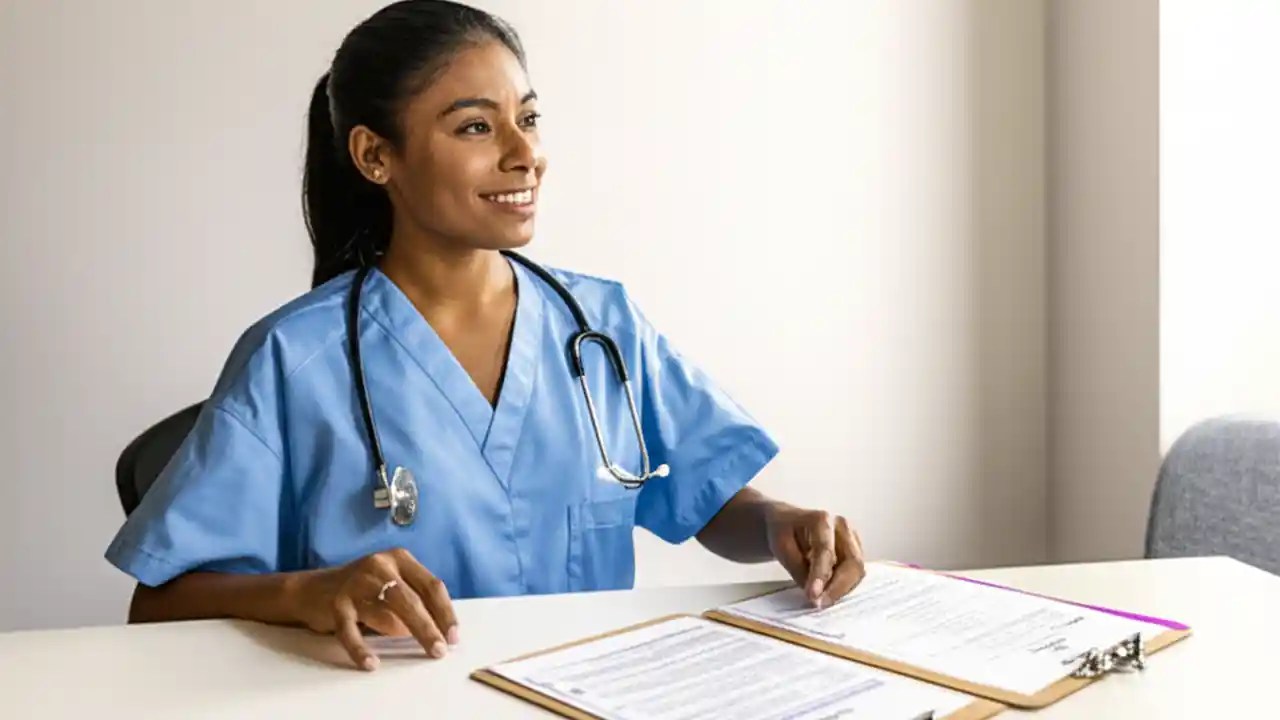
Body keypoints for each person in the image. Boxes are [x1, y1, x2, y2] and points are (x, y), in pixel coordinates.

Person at [105, 0, 865, 671]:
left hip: (580, 692)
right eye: (476, 126)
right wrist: (311, 591)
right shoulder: (295, 360)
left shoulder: (599, 325)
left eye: (527, 118)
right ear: (376, 156)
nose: (523, 152)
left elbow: (709, 501)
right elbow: (161, 600)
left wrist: (778, 524)